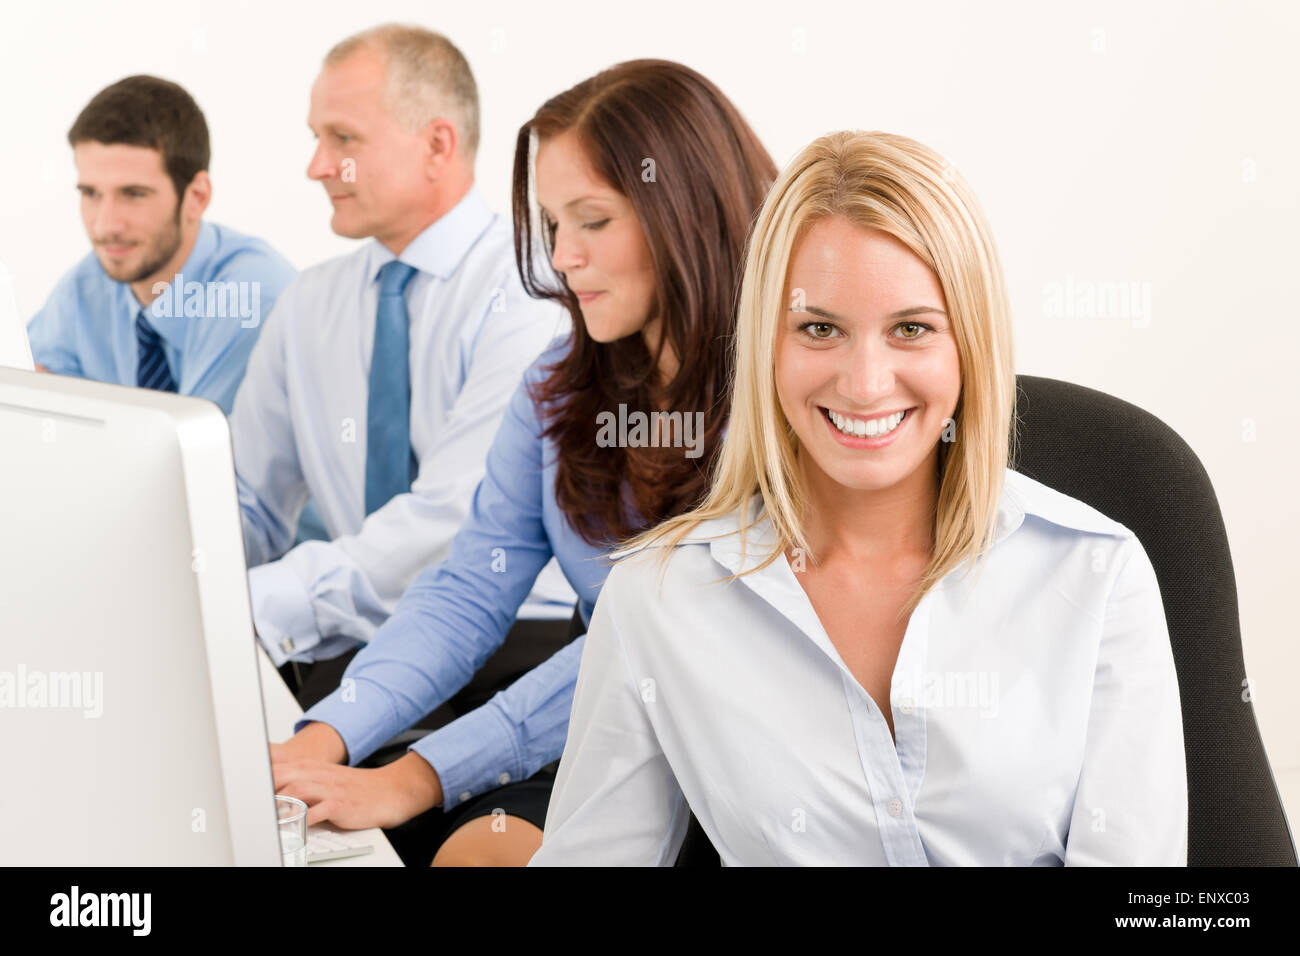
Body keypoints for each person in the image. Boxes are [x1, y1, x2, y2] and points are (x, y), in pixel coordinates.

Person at [531, 130, 1188, 866]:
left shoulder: (1093, 575)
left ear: (969, 345)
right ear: (766, 348)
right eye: (819, 329)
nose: (866, 383)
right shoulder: (660, 597)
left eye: (912, 329)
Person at [269, 58, 778, 866]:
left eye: (593, 221)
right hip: (602, 732)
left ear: (688, 212)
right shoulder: (555, 387)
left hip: (751, 744)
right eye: (550, 225)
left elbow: (650, 643)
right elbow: (470, 590)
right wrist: (326, 736)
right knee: (467, 854)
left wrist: (417, 774)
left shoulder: (790, 394)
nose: (561, 259)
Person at [229, 25, 576, 692]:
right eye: (316, 139)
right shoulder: (310, 303)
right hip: (351, 643)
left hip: (514, 649)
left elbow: (455, 524)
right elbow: (248, 506)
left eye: (344, 139)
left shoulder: (535, 287)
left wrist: (250, 604)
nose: (317, 166)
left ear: (437, 145)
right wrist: (174, 577)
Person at [27, 75, 295, 413]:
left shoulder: (251, 296)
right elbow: (22, 401)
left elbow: (181, 456)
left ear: (196, 198)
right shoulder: (86, 289)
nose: (105, 225)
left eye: (134, 194)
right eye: (91, 193)